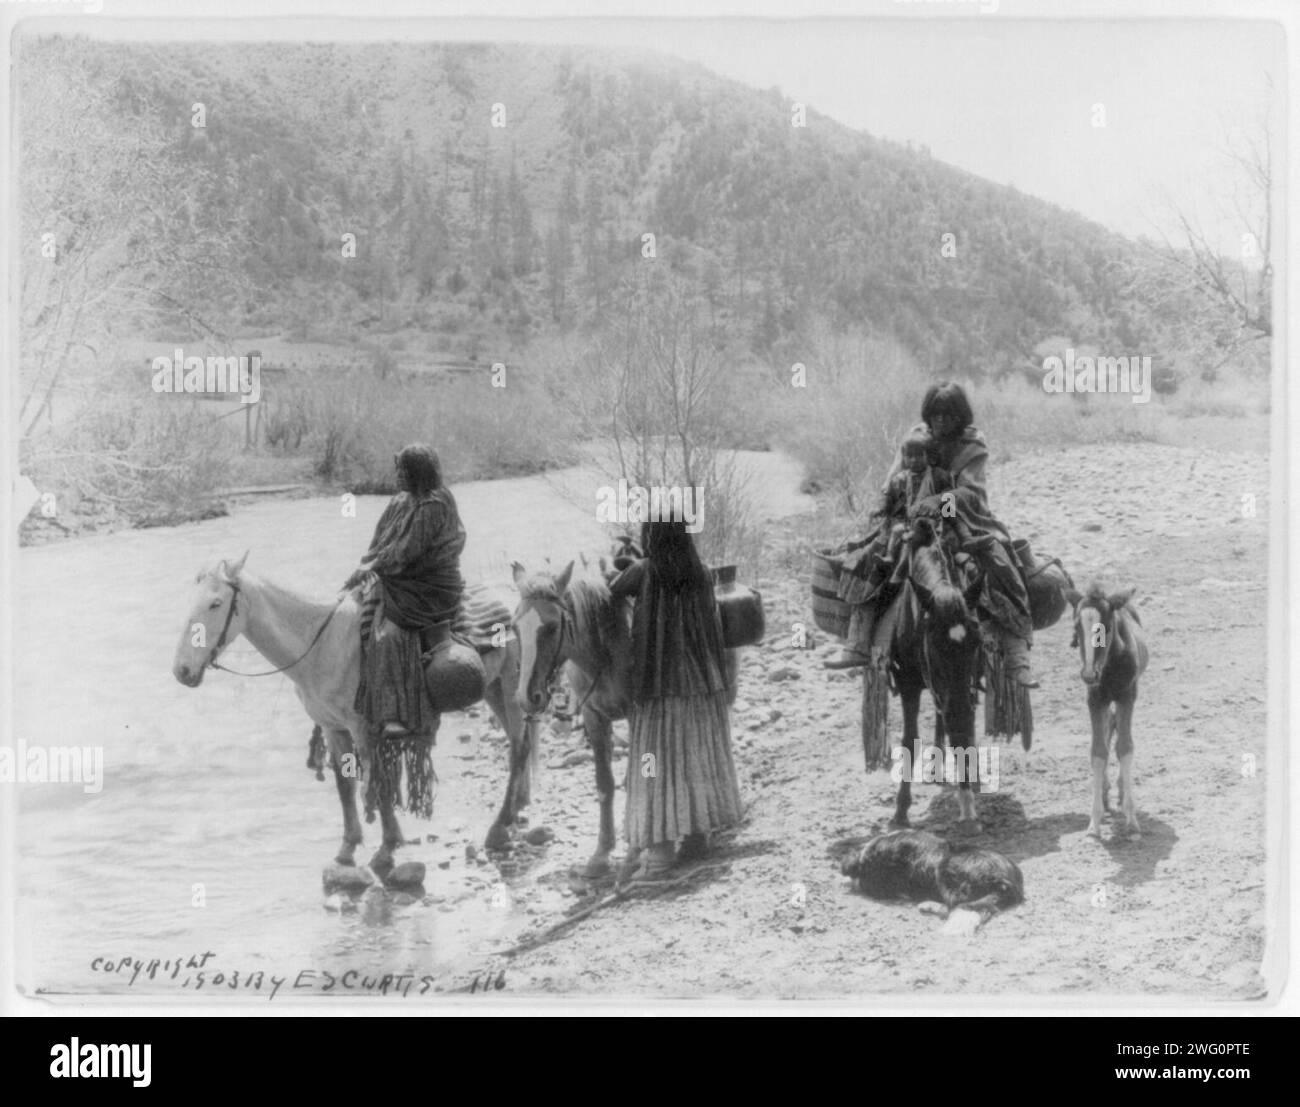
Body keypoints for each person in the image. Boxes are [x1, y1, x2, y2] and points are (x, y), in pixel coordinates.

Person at [830, 382, 1038, 687]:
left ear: (960, 416)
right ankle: (858, 642)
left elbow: (972, 490)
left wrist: (940, 502)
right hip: (909, 518)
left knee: (999, 564)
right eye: (936, 414)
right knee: (867, 560)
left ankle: (1016, 654)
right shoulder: (916, 438)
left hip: (960, 518)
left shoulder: (973, 445)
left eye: (949, 415)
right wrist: (889, 507)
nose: (941, 421)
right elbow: (892, 481)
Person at [608, 520, 744, 880]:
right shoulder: (700, 571)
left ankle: (660, 852)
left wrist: (619, 564)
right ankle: (698, 835)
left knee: (656, 763)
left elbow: (612, 591)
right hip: (702, 684)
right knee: (696, 759)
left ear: (650, 535)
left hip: (660, 685)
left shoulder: (643, 571)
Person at [346, 444, 468, 739]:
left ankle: (397, 715)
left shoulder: (434, 504)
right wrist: (367, 563)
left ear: (418, 473)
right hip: (403, 576)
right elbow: (382, 540)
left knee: (388, 636)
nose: (398, 476)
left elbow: (407, 550)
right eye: (398, 470)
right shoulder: (403, 500)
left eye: (403, 471)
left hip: (429, 585)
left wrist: (373, 567)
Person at [825, 426, 952, 669]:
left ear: (929, 456)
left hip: (932, 531)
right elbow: (887, 501)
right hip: (900, 528)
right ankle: (857, 645)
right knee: (863, 568)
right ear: (903, 457)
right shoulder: (898, 480)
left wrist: (944, 521)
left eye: (919, 455)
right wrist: (880, 508)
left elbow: (950, 504)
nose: (914, 460)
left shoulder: (941, 478)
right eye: (909, 455)